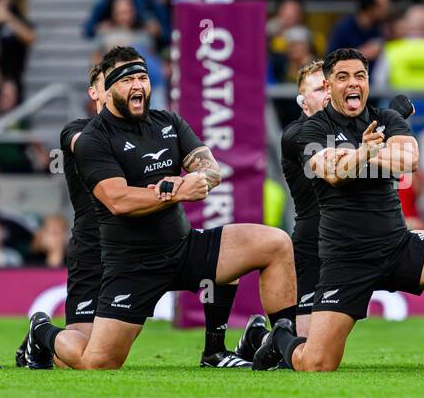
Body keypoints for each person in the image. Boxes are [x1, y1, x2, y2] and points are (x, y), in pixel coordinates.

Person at [19, 52, 297, 370]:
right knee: (95, 362)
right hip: (132, 266)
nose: (138, 86)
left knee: (275, 243)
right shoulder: (91, 138)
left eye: (142, 78)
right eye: (126, 80)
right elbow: (118, 200)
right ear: (104, 92)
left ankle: (281, 345)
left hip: (183, 247)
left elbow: (210, 168)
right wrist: (177, 190)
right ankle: (40, 330)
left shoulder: (169, 122)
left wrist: (199, 177)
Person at [251, 48, 424, 372]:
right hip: (346, 259)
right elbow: (331, 172)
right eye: (342, 77)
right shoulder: (311, 130)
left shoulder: (387, 119)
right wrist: (365, 152)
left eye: (359, 76)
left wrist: (363, 153)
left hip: (397, 246)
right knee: (316, 362)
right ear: (329, 87)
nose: (353, 83)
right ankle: (280, 339)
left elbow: (409, 160)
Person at [279, 60, 329, 338]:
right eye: (320, 89)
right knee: (306, 348)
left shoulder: (357, 127)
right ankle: (263, 339)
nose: (328, 92)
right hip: (315, 246)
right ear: (303, 102)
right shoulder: (295, 135)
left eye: (330, 86)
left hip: (363, 242)